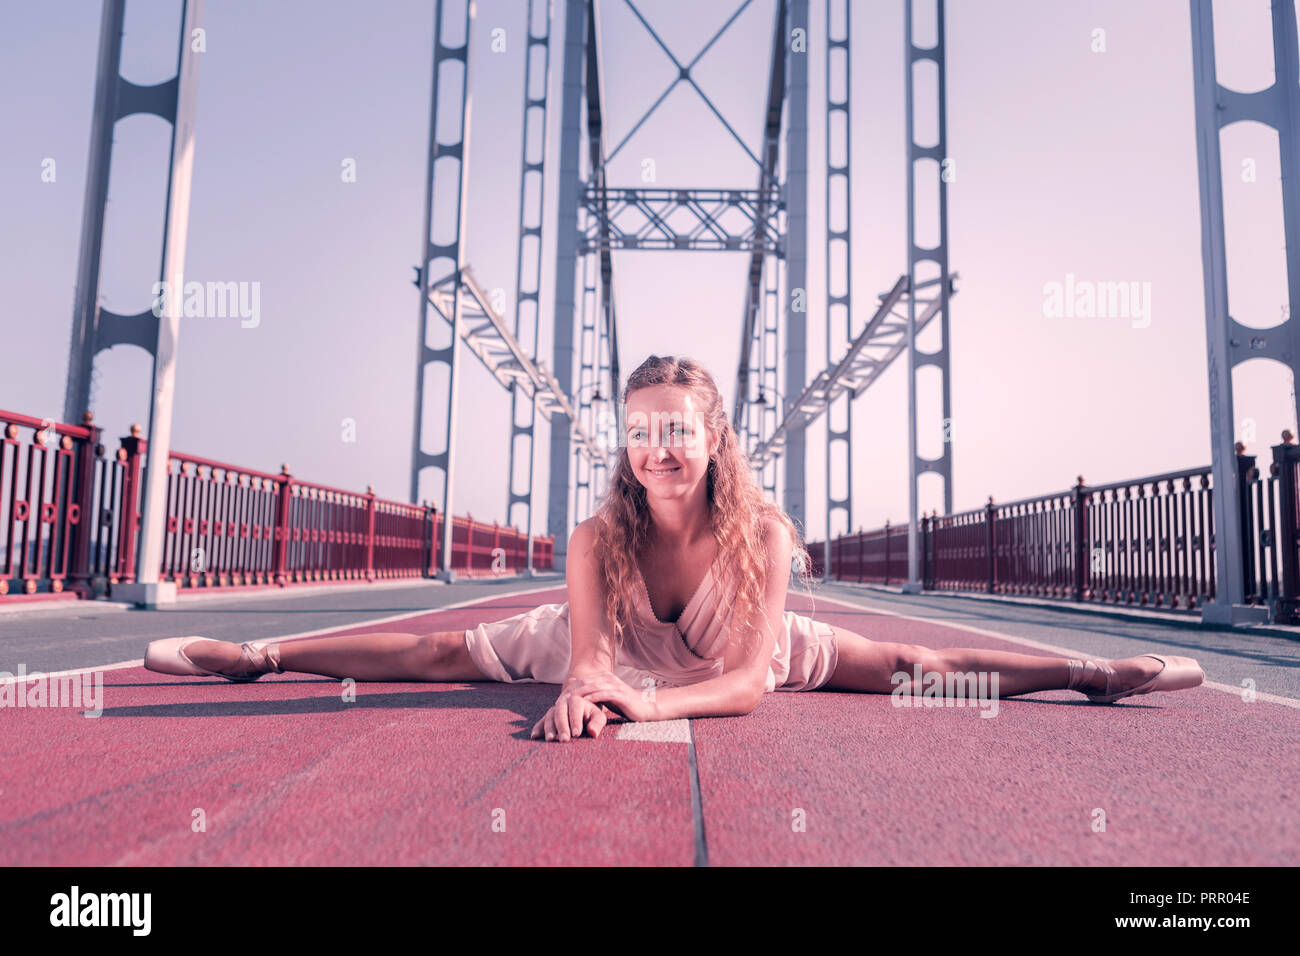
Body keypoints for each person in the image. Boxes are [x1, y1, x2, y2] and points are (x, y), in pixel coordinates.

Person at [144, 355, 1205, 740]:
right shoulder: (596, 535)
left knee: (919, 670)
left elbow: (746, 681)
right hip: (604, 639)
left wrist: (639, 705)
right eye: (639, 431)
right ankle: (264, 659)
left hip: (734, 649)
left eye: (676, 431)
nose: (657, 448)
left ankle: (1089, 672)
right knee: (438, 655)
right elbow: (592, 655)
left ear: (712, 440)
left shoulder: (764, 534)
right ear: (628, 442)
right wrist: (591, 685)